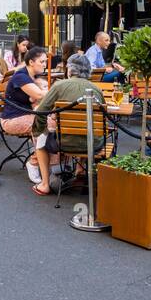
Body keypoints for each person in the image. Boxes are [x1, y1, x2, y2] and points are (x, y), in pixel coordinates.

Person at [30, 53, 106, 198]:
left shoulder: (59, 85)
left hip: (64, 143)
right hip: (93, 144)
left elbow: (41, 111)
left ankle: (45, 184)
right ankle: (80, 171)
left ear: (69, 70)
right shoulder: (96, 89)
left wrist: (39, 130)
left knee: (40, 139)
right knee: (87, 129)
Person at [0, 46, 51, 193]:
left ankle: (52, 166)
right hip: (12, 119)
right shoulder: (20, 76)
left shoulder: (30, 77)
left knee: (52, 123)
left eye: (45, 61)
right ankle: (35, 163)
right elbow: (39, 96)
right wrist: (57, 91)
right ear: (30, 62)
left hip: (25, 115)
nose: (45, 64)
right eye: (42, 61)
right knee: (46, 126)